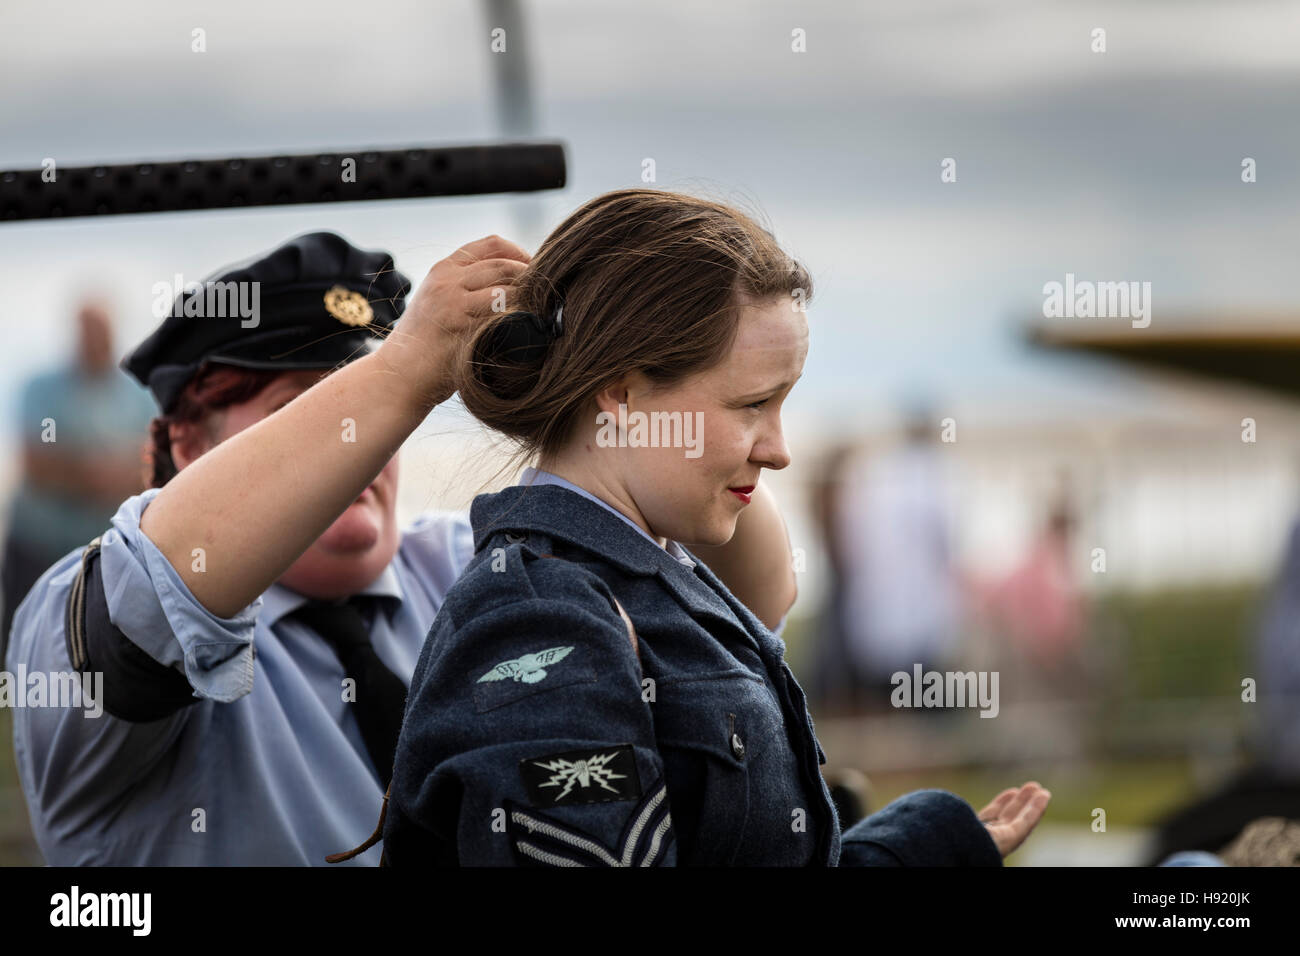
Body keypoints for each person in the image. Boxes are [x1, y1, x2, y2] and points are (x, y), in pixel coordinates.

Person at [4, 228, 811, 865]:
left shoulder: (478, 564)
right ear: (184, 438)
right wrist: (407, 371)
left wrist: (635, 385)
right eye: (310, 411)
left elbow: (758, 592)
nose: (361, 445)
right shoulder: (68, 620)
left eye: (377, 419)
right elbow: (152, 592)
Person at [380, 188, 1050, 866]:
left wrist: (925, 849)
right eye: (753, 403)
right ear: (623, 393)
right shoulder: (542, 619)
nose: (779, 449)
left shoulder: (642, 580)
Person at [1, 299, 154, 654]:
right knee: (20, 641)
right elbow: (37, 463)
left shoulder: (136, 392)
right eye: (87, 331)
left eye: (101, 331)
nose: (95, 340)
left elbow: (152, 465)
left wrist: (80, 467)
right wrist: (107, 474)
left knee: (89, 647)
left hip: (101, 553)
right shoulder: (41, 386)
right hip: (38, 544)